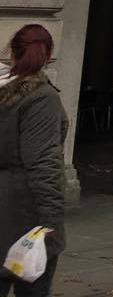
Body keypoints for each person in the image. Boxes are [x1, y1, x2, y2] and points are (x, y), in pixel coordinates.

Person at [0, 25, 67, 297]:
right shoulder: (40, 97)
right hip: (24, 212)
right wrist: (51, 220)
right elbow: (43, 163)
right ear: (48, 54)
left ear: (12, 52)